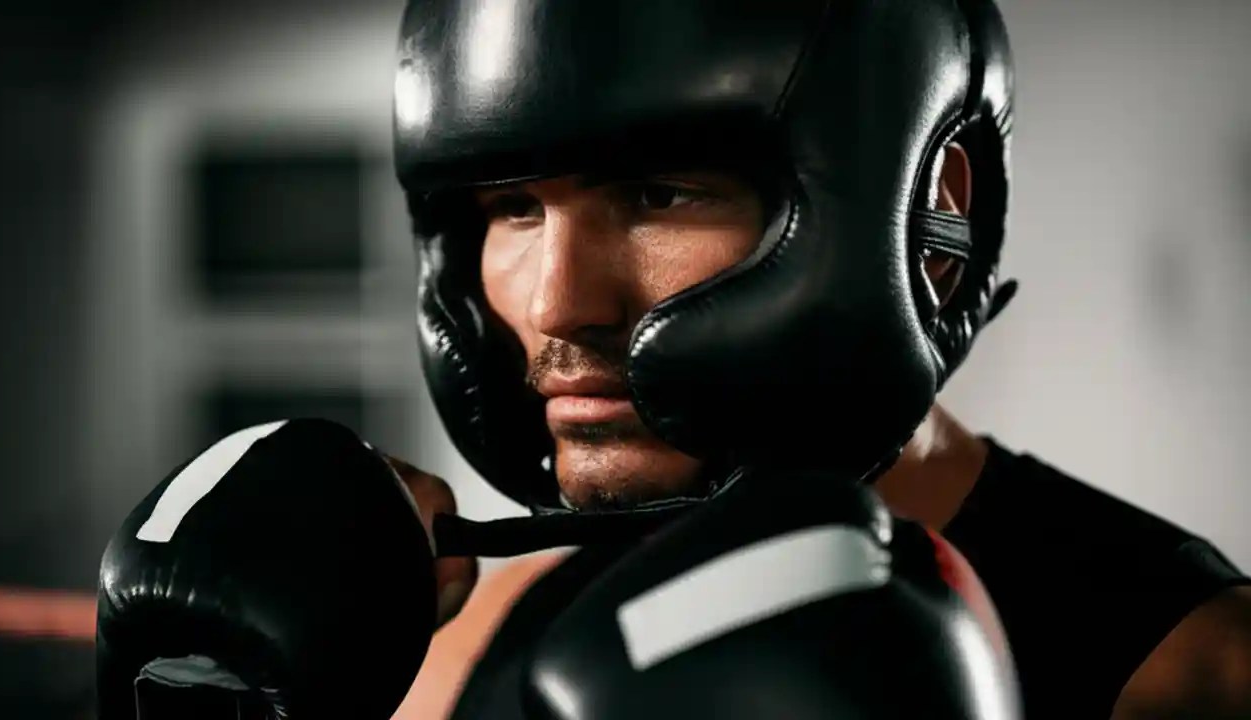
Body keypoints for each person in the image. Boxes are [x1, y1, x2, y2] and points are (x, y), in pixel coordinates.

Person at [379, 1, 1251, 718]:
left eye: (659, 195)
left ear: (932, 215)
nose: (556, 305)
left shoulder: (1193, 671)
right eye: (512, 209)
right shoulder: (460, 645)